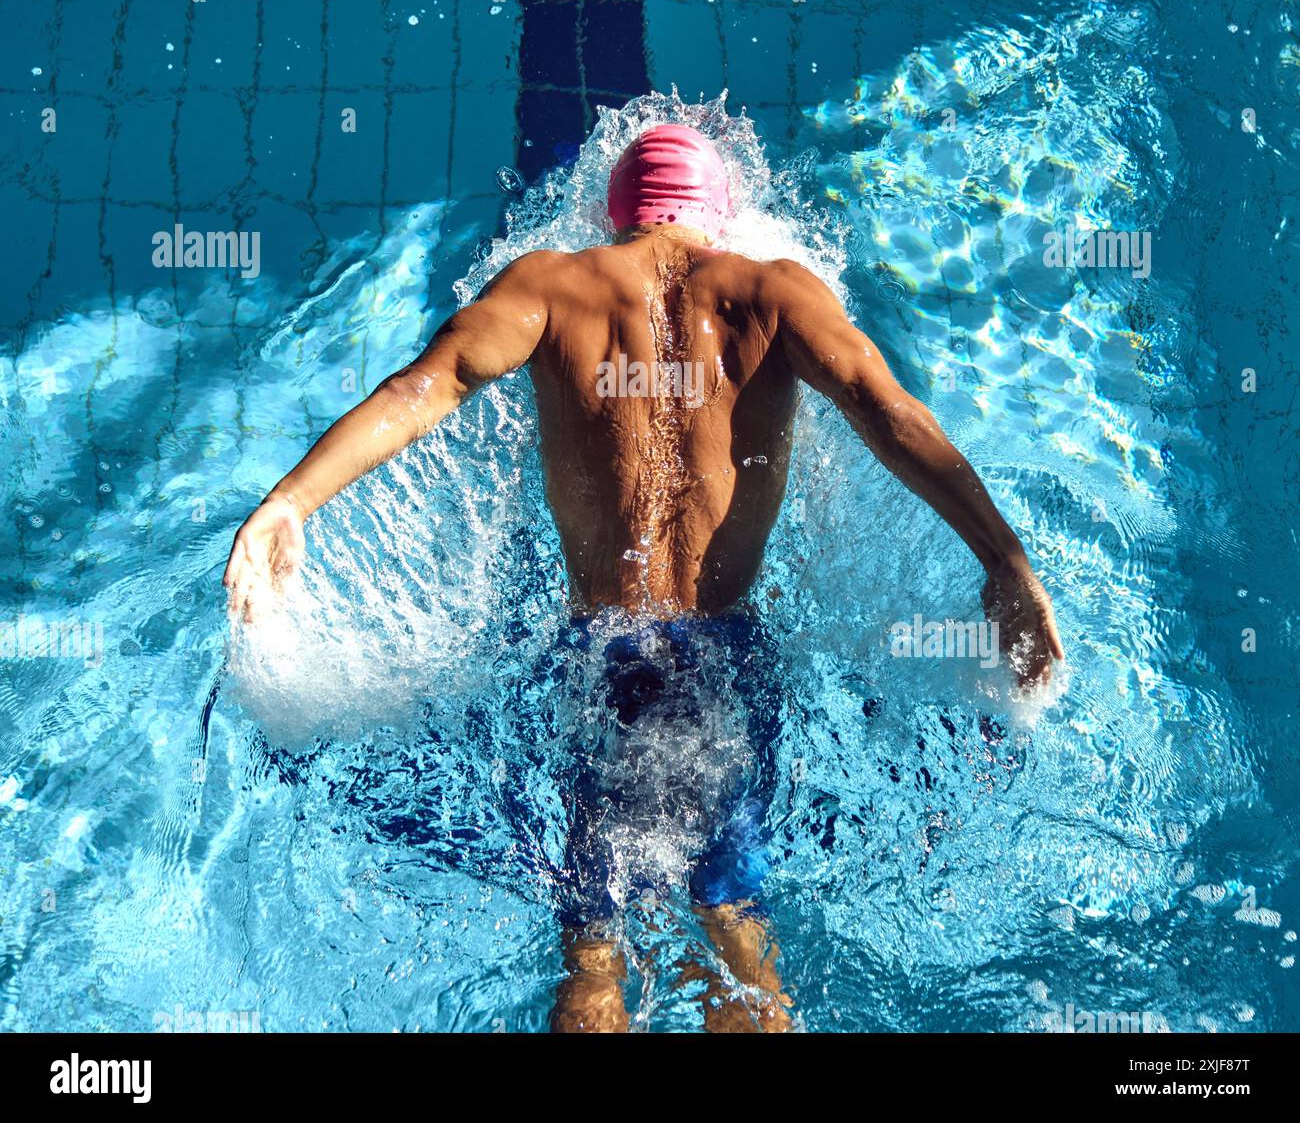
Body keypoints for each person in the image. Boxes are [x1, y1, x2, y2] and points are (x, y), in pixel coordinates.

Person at [224, 122, 1063, 1032]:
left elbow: (422, 388)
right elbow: (887, 409)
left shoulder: (547, 286)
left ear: (614, 216)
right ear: (719, 220)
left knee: (591, 946)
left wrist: (291, 500)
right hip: (722, 665)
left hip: (602, 661)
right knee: (737, 933)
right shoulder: (774, 294)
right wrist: (1003, 560)